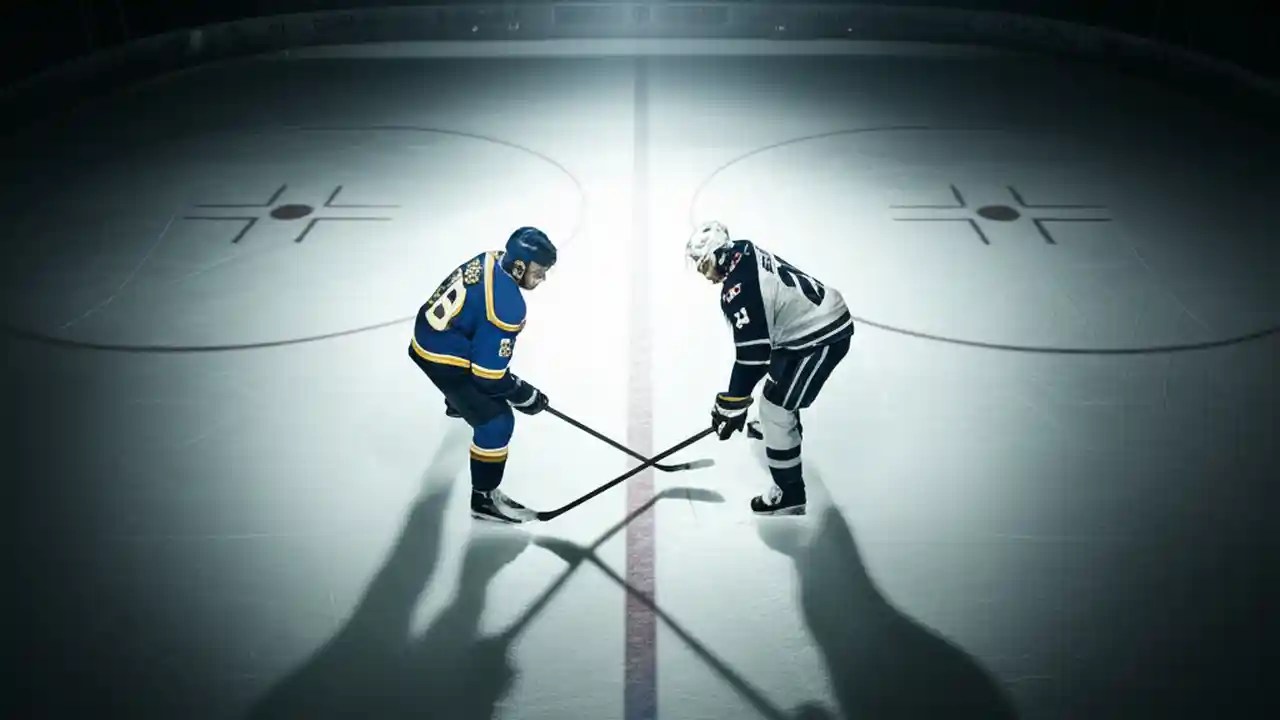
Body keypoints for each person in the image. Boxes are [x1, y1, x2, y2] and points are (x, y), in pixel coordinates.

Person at [686, 221, 853, 515]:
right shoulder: (743, 248)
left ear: (721, 255)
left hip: (820, 337)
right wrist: (734, 403)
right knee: (777, 394)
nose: (705, 274)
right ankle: (778, 431)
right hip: (804, 325)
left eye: (705, 265)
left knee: (775, 409)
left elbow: (754, 357)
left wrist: (732, 404)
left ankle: (790, 494)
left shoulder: (738, 291)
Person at [408, 226, 556, 523]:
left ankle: (457, 402)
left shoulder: (492, 258)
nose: (542, 278)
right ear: (519, 266)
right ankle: (484, 499)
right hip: (442, 356)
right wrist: (525, 396)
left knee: (476, 392)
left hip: (428, 331)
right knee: (497, 421)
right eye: (538, 271)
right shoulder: (508, 305)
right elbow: (489, 377)